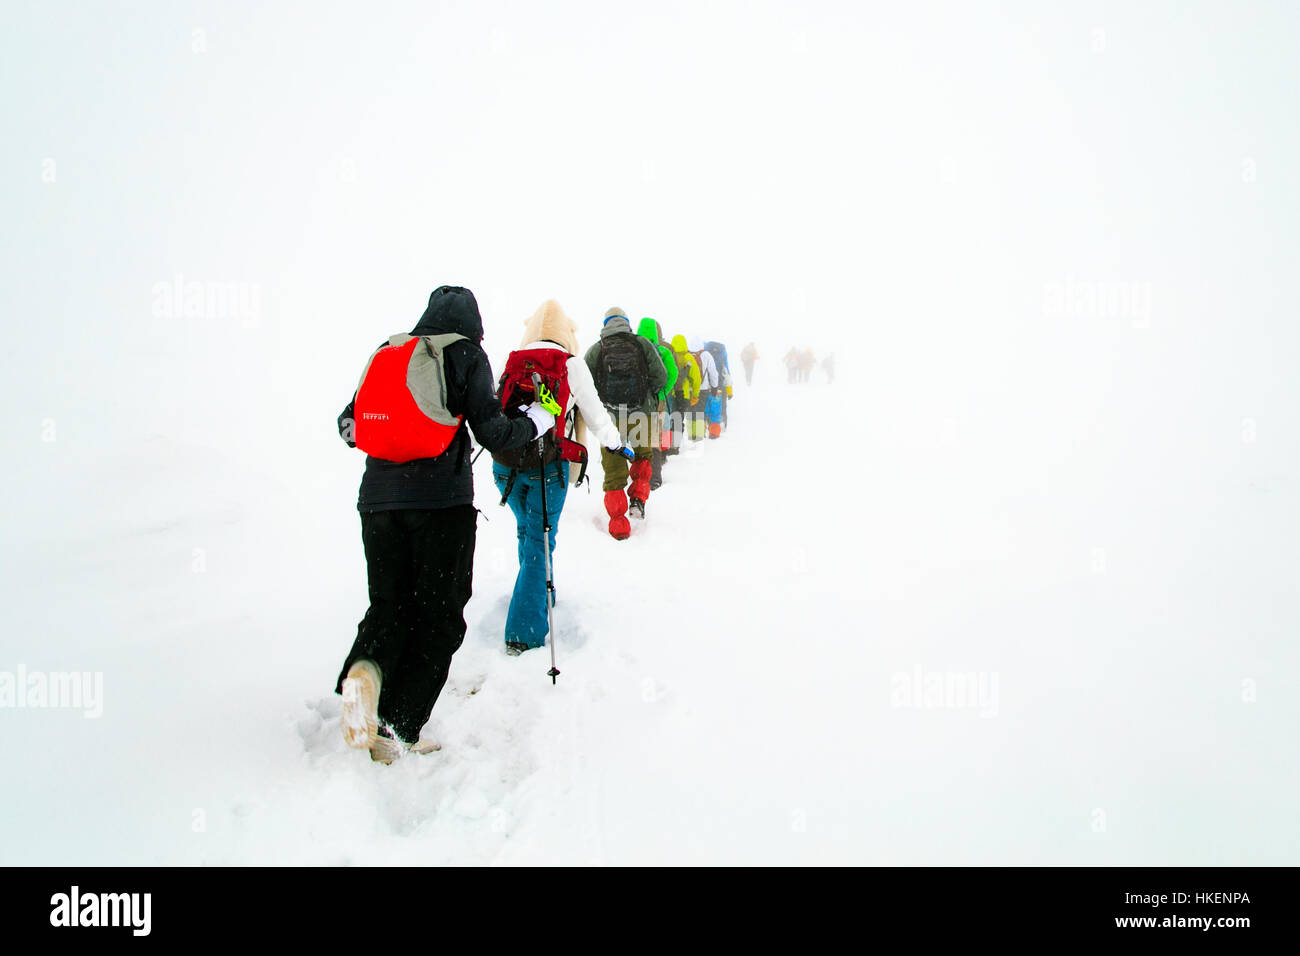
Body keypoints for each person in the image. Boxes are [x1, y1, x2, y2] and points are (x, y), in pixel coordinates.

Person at [334, 285, 553, 763]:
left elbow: (349, 427)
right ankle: (398, 726)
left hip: (376, 502)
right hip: (440, 506)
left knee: (389, 604)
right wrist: (536, 421)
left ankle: (364, 673)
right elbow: (492, 433)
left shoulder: (389, 351)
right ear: (474, 324)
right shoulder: (466, 355)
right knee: (439, 613)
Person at [492, 300, 630, 655]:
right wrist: (618, 445)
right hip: (546, 468)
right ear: (566, 332)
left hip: (505, 468)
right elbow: (595, 415)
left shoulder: (514, 361)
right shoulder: (570, 364)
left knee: (528, 533)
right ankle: (523, 631)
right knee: (540, 542)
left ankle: (537, 590)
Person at [585, 308, 666, 538]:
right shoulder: (642, 344)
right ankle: (638, 499)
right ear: (627, 323)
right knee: (642, 456)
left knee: (613, 471)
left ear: (606, 324)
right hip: (642, 413)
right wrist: (648, 397)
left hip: (609, 419)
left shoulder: (596, 350)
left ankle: (619, 525)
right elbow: (661, 376)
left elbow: (584, 384)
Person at [637, 317, 678, 490]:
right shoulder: (663, 351)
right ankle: (654, 478)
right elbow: (673, 373)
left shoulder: (634, 350)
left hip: (636, 401)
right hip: (657, 400)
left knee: (638, 438)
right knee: (654, 438)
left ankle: (638, 476)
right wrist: (663, 391)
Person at [667, 334, 700, 454]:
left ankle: (666, 445)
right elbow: (696, 378)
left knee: (667, 420)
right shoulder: (689, 358)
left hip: (670, 394)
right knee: (678, 420)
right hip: (684, 395)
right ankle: (675, 446)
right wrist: (695, 395)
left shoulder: (669, 355)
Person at [689, 337, 720, 440]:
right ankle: (699, 435)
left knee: (691, 412)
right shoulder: (706, 355)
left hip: (689, 389)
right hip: (703, 389)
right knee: (700, 411)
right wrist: (714, 387)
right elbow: (713, 373)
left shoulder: (687, 355)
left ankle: (692, 435)